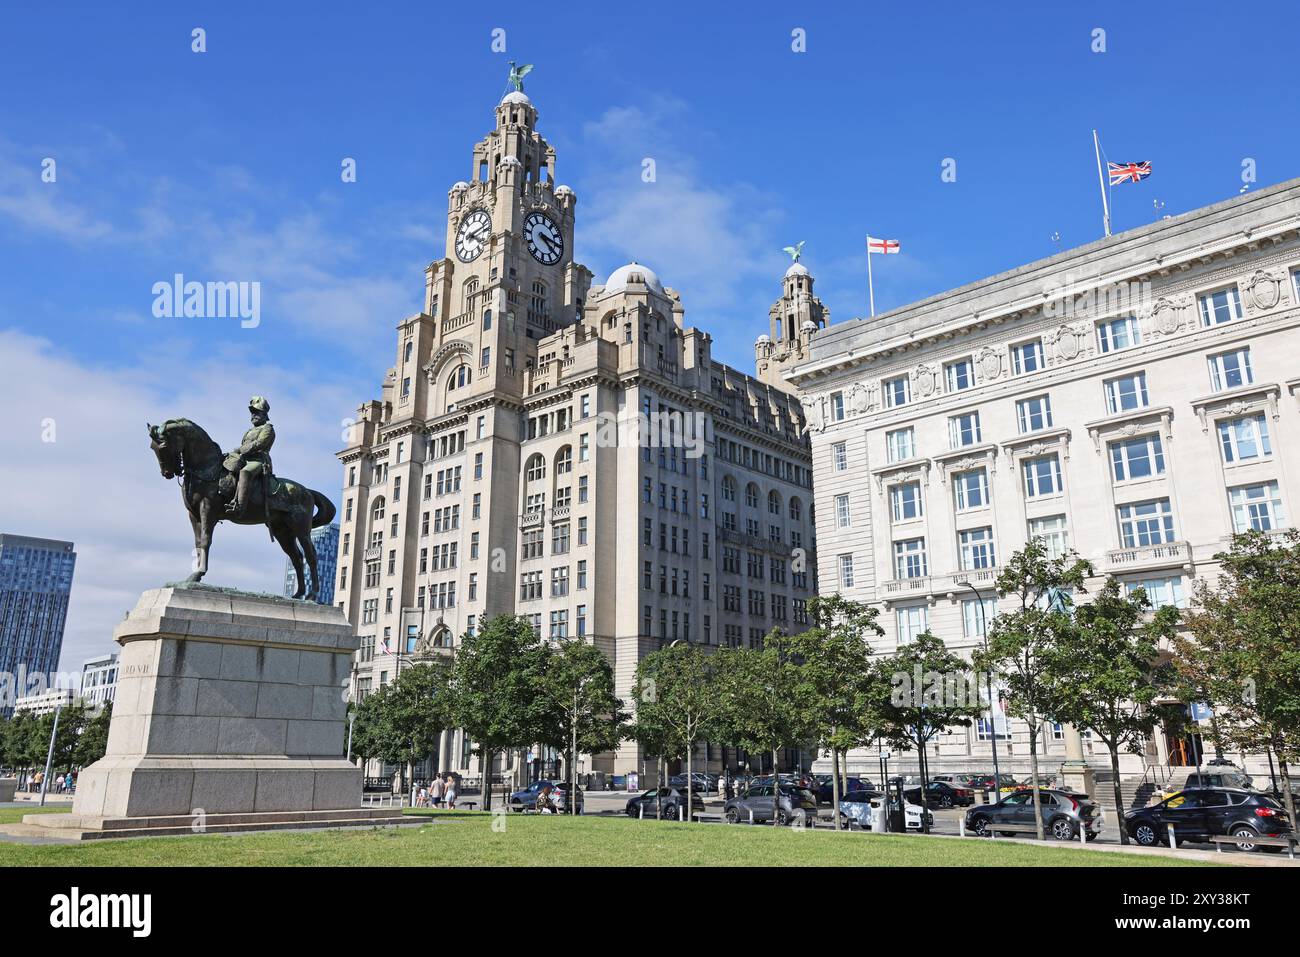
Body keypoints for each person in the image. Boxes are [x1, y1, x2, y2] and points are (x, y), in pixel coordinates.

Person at [223, 396, 276, 520]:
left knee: (245, 472)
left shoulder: (267, 428)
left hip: (259, 460)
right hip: (245, 459)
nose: (253, 415)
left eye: (257, 412)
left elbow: (260, 444)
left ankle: (240, 507)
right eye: (252, 412)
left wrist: (241, 449)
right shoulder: (249, 431)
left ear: (264, 414)